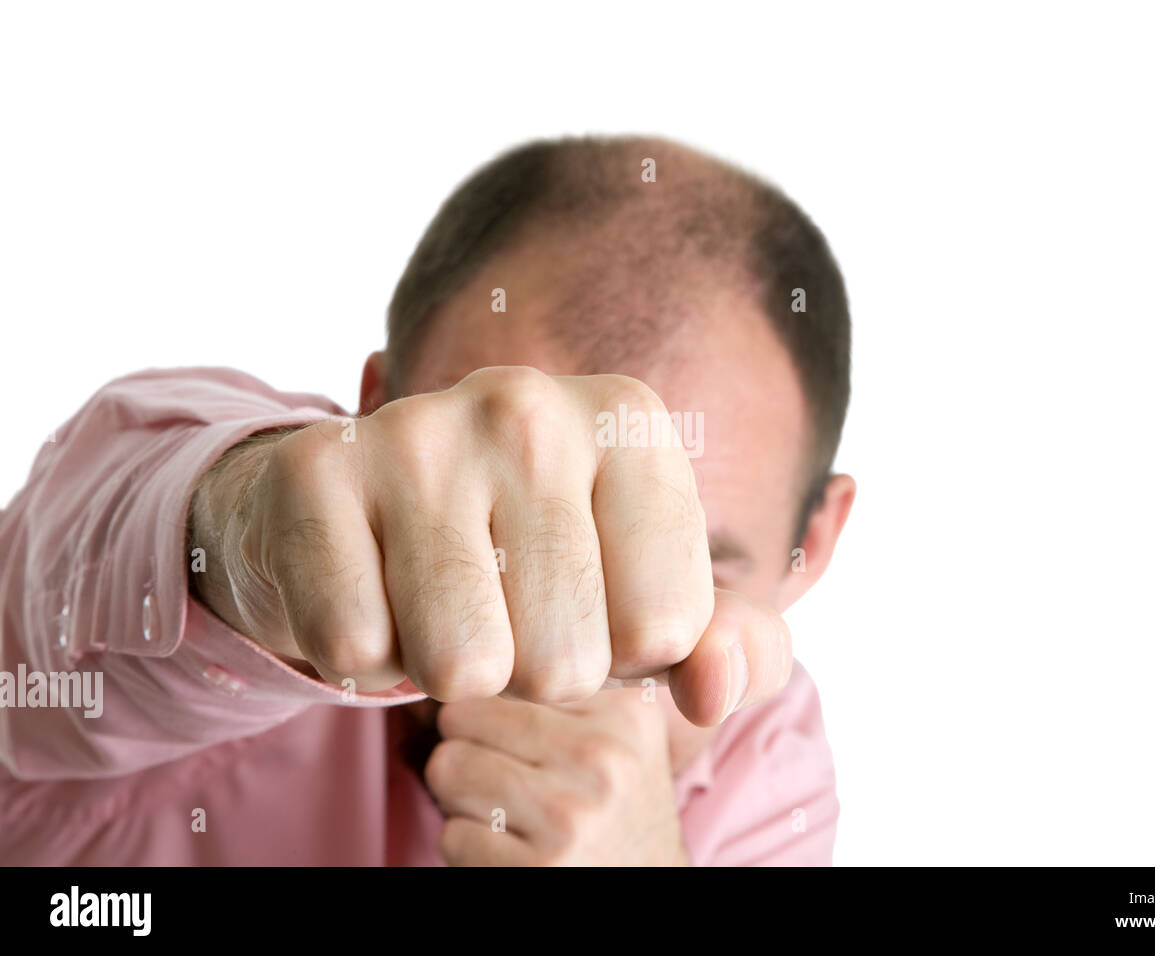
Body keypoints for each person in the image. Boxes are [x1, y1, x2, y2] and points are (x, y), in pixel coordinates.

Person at [0, 135, 856, 865]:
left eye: (686, 580)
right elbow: (69, 577)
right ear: (370, 410)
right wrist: (245, 535)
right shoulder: (165, 491)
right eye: (489, 532)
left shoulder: (771, 775)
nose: (556, 673)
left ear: (812, 545)